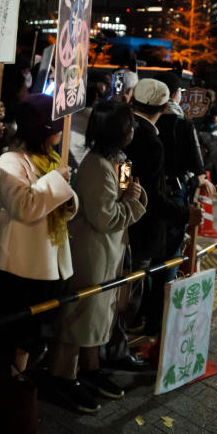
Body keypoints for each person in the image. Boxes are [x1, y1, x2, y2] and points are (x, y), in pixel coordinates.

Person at [0, 93, 77, 413]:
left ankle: (13, 387)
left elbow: (63, 203)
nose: (61, 133)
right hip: (12, 265)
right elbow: (24, 207)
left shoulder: (52, 159)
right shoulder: (11, 161)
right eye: (56, 126)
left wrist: (69, 198)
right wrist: (58, 182)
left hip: (45, 264)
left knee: (30, 336)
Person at [51, 101, 147, 412]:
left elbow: (126, 193)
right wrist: (132, 204)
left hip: (111, 249)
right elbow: (105, 217)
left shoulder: (121, 160)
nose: (132, 130)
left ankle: (90, 368)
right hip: (92, 251)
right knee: (82, 313)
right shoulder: (96, 166)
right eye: (128, 126)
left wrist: (132, 199)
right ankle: (64, 376)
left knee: (100, 312)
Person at [124, 79, 191, 337]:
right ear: (164, 106)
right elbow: (152, 196)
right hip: (142, 225)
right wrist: (185, 213)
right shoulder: (151, 142)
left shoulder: (125, 129)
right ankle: (119, 344)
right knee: (132, 288)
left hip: (123, 218)